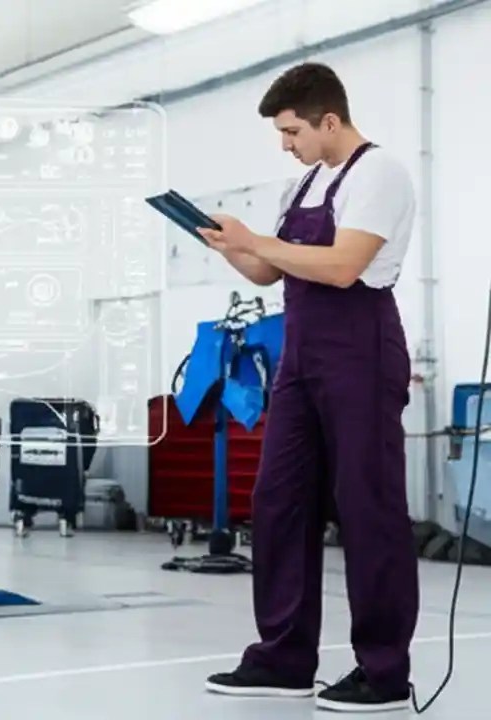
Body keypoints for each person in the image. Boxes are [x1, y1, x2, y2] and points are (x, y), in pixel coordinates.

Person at [196, 62, 419, 713]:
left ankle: (383, 671)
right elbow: (272, 273)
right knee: (279, 500)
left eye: (292, 131)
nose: (285, 144)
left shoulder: (379, 173)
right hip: (300, 357)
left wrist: (259, 242)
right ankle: (285, 658)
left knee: (367, 505)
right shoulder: (303, 184)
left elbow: (345, 266)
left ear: (329, 120)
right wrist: (232, 248)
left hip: (360, 351)